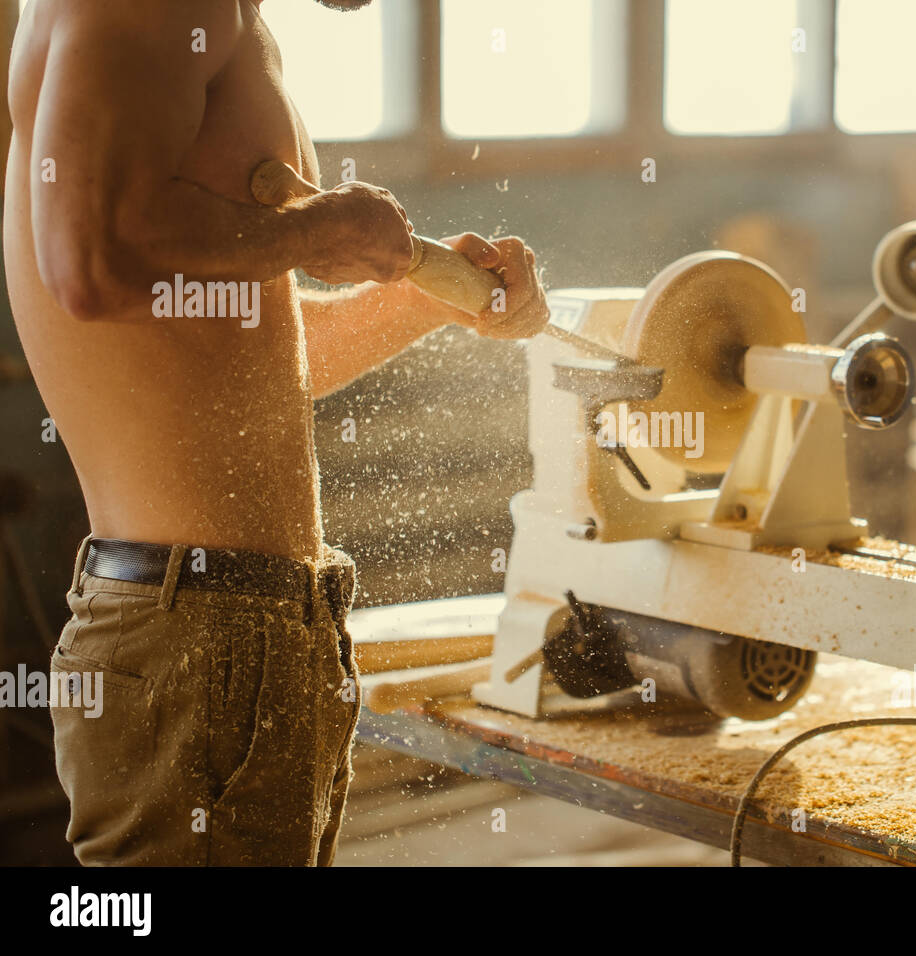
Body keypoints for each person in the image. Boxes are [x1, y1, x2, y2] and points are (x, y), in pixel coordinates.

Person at [3, 0, 548, 865]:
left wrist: (423, 299)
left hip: (259, 631)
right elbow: (90, 260)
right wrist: (325, 227)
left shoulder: (234, 25)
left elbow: (250, 354)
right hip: (194, 639)